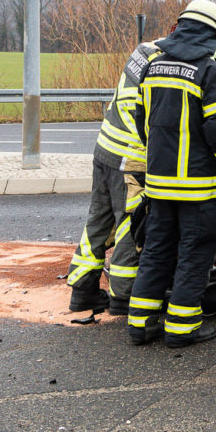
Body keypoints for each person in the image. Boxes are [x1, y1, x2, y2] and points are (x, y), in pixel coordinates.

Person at [125, 0, 216, 348]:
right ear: (213, 34)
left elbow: (141, 120)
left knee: (157, 250)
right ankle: (181, 328)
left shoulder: (154, 66)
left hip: (159, 184)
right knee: (194, 252)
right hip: (198, 189)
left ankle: (141, 325)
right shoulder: (209, 71)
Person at [65, 37, 161, 316]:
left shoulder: (143, 50)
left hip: (105, 147)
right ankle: (123, 295)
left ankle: (83, 290)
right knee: (129, 225)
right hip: (128, 156)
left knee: (97, 220)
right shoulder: (162, 64)